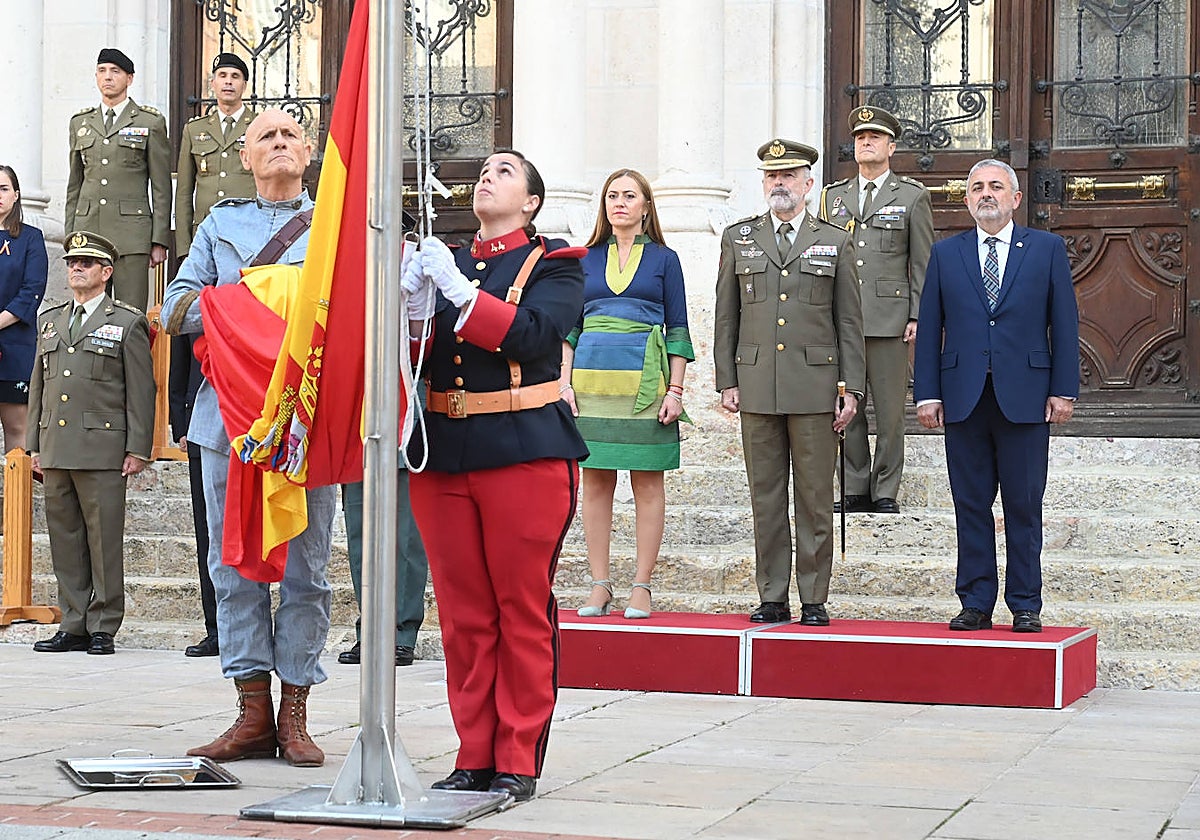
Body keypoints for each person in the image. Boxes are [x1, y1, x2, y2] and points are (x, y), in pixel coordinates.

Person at [404, 150, 587, 802]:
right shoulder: (444, 260)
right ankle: (473, 752)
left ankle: (516, 756)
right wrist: (410, 302)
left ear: (532, 201)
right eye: (484, 170)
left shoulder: (554, 263)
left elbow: (536, 337)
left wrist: (460, 295)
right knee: (462, 615)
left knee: (520, 608)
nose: (488, 176)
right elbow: (411, 357)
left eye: (506, 172)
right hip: (443, 450)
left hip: (522, 450)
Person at [162, 109, 337, 766]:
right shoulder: (219, 224)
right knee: (233, 566)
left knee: (307, 570)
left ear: (311, 151)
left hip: (306, 420)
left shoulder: (334, 227)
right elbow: (176, 307)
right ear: (244, 155)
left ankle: (295, 715)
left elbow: (356, 309)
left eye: (291, 134)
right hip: (227, 420)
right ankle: (250, 711)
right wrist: (254, 308)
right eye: (267, 136)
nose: (280, 144)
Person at [914, 158, 1079, 634]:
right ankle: (976, 601)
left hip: (1026, 397)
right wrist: (927, 394)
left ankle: (1026, 603)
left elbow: (1064, 324)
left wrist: (1063, 390)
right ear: (966, 200)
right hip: (963, 395)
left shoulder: (1046, 249)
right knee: (970, 502)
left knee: (1024, 505)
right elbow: (930, 330)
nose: (986, 194)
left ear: (1015, 198)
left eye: (995, 187)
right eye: (977, 188)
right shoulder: (947, 254)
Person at [713, 138, 865, 627]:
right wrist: (727, 380)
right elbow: (726, 316)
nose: (779, 184)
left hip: (816, 386)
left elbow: (849, 322)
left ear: (808, 183)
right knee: (766, 495)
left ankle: (814, 596)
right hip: (757, 383)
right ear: (763, 184)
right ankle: (772, 594)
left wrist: (852, 388)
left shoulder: (835, 239)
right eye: (771, 176)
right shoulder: (740, 238)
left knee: (816, 496)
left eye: (789, 176)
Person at [562, 168, 693, 620]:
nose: (619, 202)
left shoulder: (665, 259)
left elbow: (678, 329)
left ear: (645, 206)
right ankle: (599, 585)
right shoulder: (583, 258)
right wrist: (564, 383)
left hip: (646, 384)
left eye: (629, 196)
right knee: (595, 483)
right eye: (612, 195)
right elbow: (570, 328)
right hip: (591, 384)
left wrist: (675, 390)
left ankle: (642, 586)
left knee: (647, 481)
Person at [27, 231, 155, 656]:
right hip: (57, 444)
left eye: (85, 263)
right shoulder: (52, 320)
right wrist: (34, 444)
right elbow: (39, 387)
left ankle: (103, 624)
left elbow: (141, 390)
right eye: (71, 263)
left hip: (102, 448)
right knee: (65, 539)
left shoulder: (126, 321)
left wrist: (138, 448)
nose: (76, 268)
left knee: (103, 541)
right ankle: (73, 622)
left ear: (107, 272)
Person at [819, 105, 933, 514]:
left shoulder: (912, 197)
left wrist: (918, 313)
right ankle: (853, 485)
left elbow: (921, 263)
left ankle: (885, 488)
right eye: (860, 137)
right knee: (845, 405)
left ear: (891, 146)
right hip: (841, 321)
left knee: (888, 412)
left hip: (889, 319)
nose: (865, 142)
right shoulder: (833, 197)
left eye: (874, 137)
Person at [65, 48, 170, 312]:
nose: (108, 77)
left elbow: (161, 186)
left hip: (131, 236)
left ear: (129, 79)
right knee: (87, 310)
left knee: (129, 313)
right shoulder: (81, 122)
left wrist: (159, 240)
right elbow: (74, 184)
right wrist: (70, 237)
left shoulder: (150, 121)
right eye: (102, 71)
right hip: (88, 231)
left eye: (115, 71)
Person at [336, 473, 428, 667]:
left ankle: (402, 636)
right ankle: (370, 634)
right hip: (357, 450)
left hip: (404, 450)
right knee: (360, 538)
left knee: (407, 539)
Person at [174, 52, 257, 257]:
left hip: (247, 230)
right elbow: (184, 191)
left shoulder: (260, 125)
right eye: (222, 75)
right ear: (213, 83)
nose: (228, 81)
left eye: (235, 76)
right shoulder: (195, 129)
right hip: (204, 231)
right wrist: (185, 246)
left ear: (244, 85)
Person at [168, 332, 218, 657]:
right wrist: (181, 425)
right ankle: (216, 629)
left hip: (254, 422)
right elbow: (180, 365)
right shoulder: (194, 293)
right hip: (200, 422)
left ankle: (252, 627)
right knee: (208, 534)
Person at [0, 165, 48, 452]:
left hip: (14, 342)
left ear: (16, 195)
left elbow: (32, 291)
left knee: (17, 427)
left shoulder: (30, 238)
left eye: (3, 189)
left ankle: (17, 496)